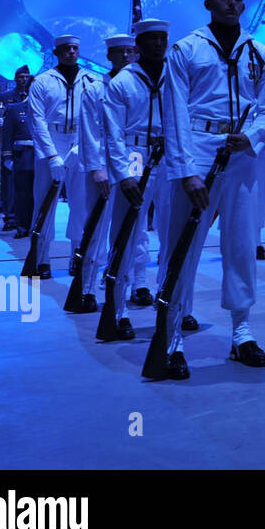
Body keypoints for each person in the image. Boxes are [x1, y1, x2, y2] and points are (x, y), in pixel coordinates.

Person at [157, 0, 265, 379]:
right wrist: (185, 170)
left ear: (243, 6)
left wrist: (254, 137)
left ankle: (241, 332)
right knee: (183, 247)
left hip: (243, 155)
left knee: (242, 245)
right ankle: (171, 335)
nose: (230, 3)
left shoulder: (259, 53)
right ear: (208, 3)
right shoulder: (186, 49)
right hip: (198, 151)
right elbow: (173, 113)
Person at [99, 18, 173, 340]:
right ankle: (118, 310)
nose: (158, 44)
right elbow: (113, 134)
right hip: (134, 154)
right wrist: (123, 173)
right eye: (152, 39)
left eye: (163, 39)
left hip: (170, 156)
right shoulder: (122, 83)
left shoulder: (176, 77)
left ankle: (172, 303)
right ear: (138, 46)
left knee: (173, 233)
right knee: (127, 234)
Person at [27, 35, 100, 278]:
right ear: (56, 52)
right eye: (66, 49)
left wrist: (85, 145)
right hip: (52, 139)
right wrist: (50, 156)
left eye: (75, 48)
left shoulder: (91, 79)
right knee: (44, 205)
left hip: (80, 141)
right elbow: (37, 121)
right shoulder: (42, 81)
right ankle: (42, 259)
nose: (71, 52)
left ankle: (76, 255)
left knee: (81, 205)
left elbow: (97, 117)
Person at [73, 33, 137, 310]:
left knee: (133, 229)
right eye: (119, 52)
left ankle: (136, 282)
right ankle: (87, 286)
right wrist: (96, 168)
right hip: (103, 163)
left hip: (131, 162)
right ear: (109, 56)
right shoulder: (95, 89)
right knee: (97, 226)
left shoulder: (139, 87)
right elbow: (88, 132)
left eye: (129, 51)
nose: (125, 56)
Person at [0, 66, 36, 237]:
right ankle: (22, 225)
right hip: (22, 156)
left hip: (42, 157)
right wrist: (7, 157)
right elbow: (7, 134)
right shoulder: (15, 108)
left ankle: (37, 225)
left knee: (40, 193)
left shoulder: (48, 110)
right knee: (22, 193)